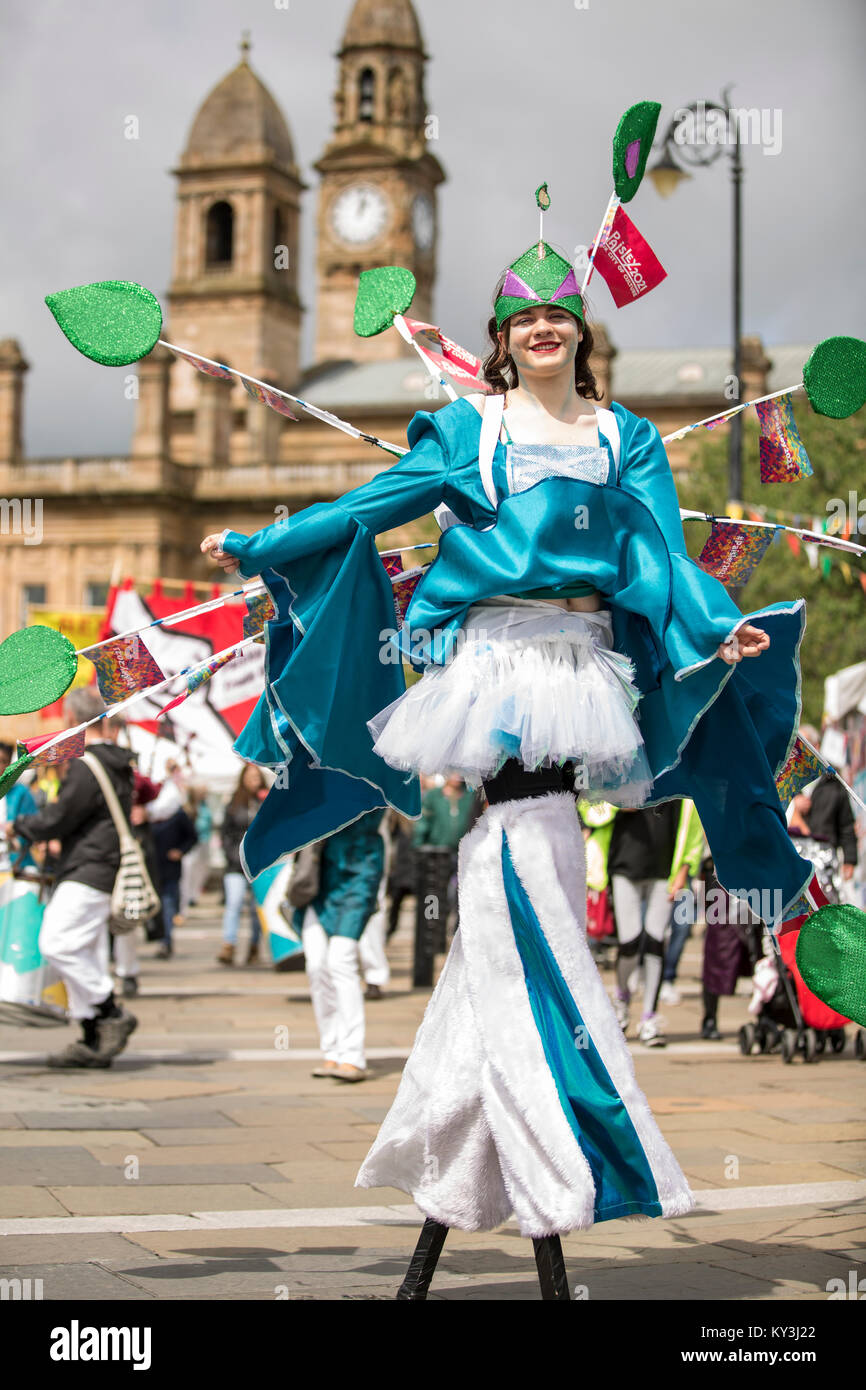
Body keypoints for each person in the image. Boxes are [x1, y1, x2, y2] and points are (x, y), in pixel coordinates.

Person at [200, 222, 837, 1296]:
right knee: (518, 891)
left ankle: (451, 1212)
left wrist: (709, 624)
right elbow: (372, 507)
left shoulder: (621, 435)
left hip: (578, 663)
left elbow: (651, 554)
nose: (543, 327)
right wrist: (264, 547)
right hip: (492, 665)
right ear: (499, 337)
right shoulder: (468, 426)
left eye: (558, 313)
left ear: (578, 330)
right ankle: (552, 1179)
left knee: (505, 920)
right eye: (522, 317)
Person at [8, 689, 138, 1068]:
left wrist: (20, 825)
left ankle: (109, 1010)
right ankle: (93, 1038)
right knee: (86, 951)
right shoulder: (118, 763)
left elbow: (60, 817)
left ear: (72, 721)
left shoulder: (87, 766)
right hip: (98, 865)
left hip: (87, 867)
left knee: (57, 943)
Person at [294, 809, 387, 1081]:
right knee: (316, 966)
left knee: (340, 961)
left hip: (358, 878)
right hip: (318, 882)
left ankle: (353, 1055)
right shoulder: (315, 775)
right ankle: (332, 1050)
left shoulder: (376, 780)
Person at [607, 802, 682, 1047]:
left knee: (655, 940)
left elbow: (689, 820)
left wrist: (685, 867)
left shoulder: (675, 763)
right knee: (629, 941)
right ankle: (622, 997)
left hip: (665, 866)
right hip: (625, 862)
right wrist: (615, 802)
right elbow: (590, 805)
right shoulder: (620, 764)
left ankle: (649, 1016)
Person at [217, 765, 267, 966]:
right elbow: (225, 833)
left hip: (259, 864)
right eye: (250, 776)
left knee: (257, 910)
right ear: (243, 779)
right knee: (234, 903)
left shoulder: (266, 800)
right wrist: (232, 856)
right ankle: (229, 945)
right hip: (235, 864)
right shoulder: (234, 803)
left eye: (257, 776)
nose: (254, 780)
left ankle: (254, 946)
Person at [149, 782, 198, 960]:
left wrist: (180, 851)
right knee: (158, 907)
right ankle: (161, 938)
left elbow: (192, 837)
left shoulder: (178, 815)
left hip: (169, 868)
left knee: (168, 904)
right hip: (152, 867)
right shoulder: (148, 814)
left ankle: (165, 941)